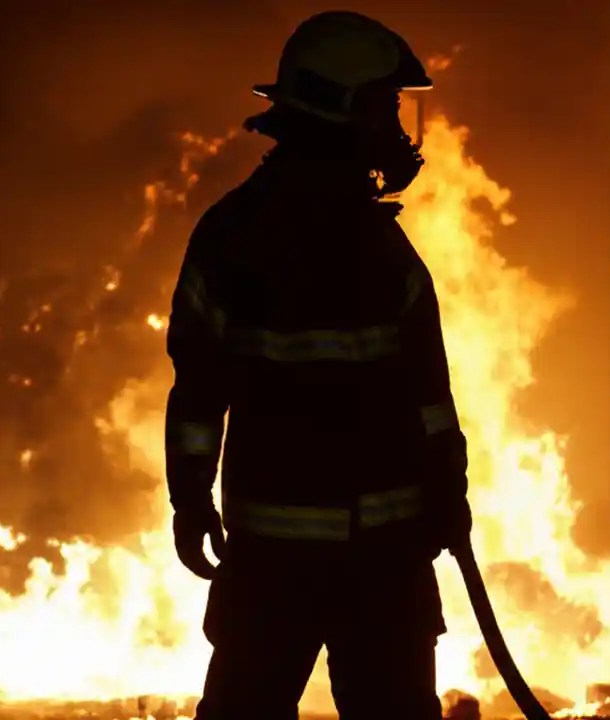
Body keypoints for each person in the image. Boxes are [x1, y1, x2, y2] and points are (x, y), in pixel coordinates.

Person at [162, 11, 470, 719]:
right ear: (343, 109)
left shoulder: (228, 237)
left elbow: (198, 393)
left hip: (278, 562)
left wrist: (191, 499)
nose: (397, 128)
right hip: (376, 562)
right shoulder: (384, 256)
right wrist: (447, 499)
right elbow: (431, 402)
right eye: (386, 107)